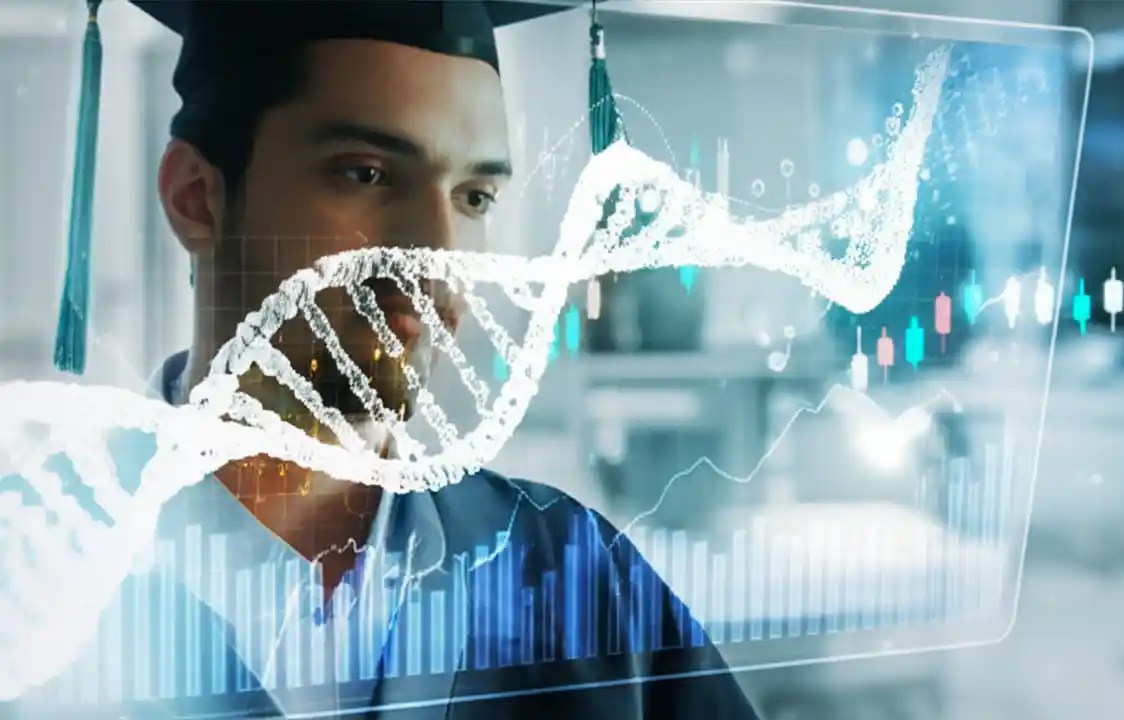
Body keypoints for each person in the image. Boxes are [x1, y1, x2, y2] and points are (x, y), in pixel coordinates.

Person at [6, 2, 759, 718]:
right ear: (197, 198)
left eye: (473, 197)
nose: (434, 252)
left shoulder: (577, 583)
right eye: (365, 173)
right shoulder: (36, 573)